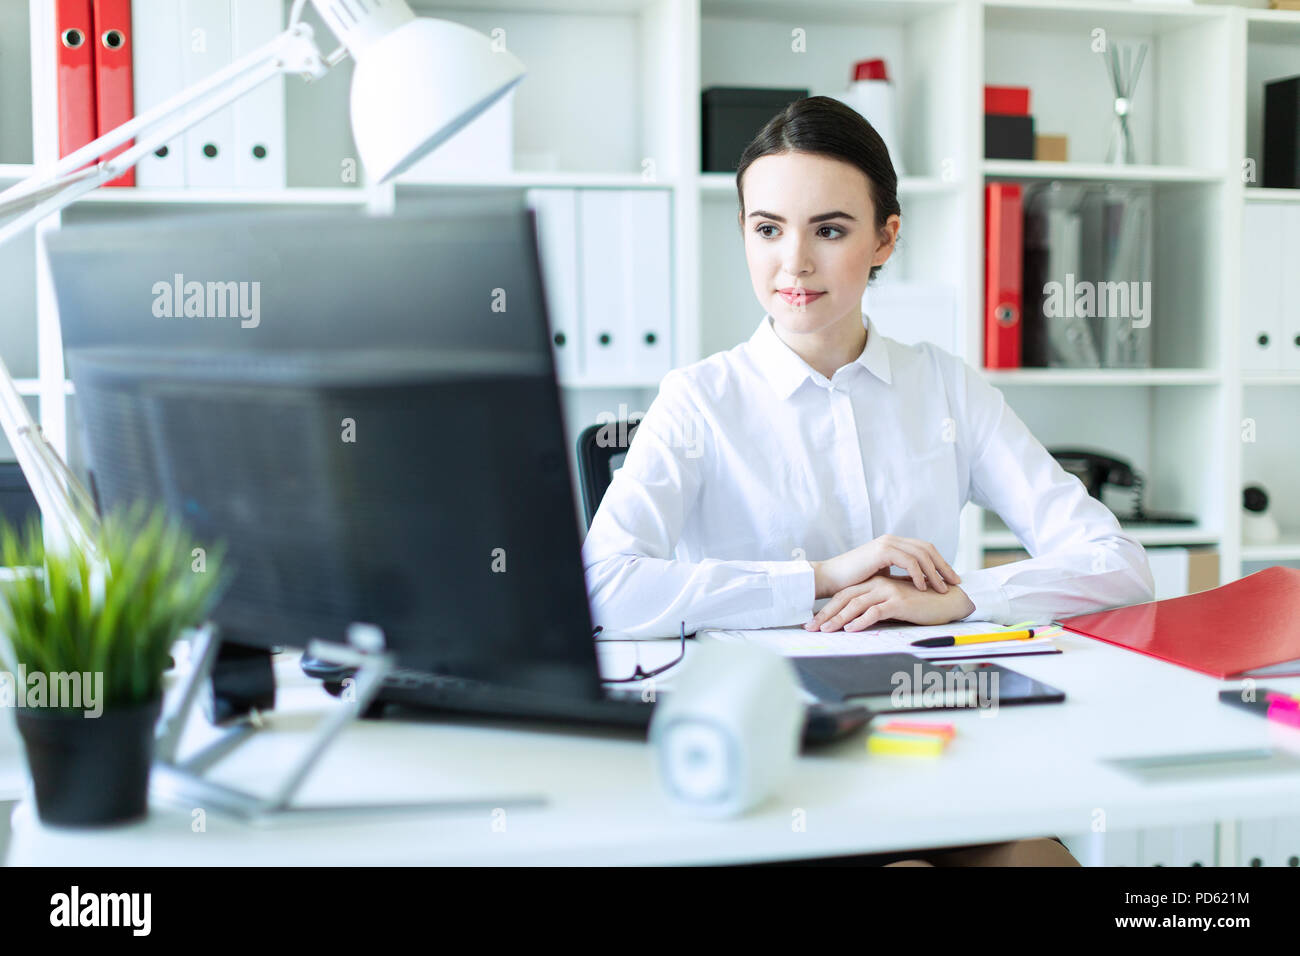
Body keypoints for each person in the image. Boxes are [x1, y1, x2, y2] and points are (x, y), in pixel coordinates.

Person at [581, 96, 1153, 865]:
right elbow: (603, 586)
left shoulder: (945, 388)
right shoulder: (700, 400)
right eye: (768, 228)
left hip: (931, 740)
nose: (794, 263)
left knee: (1040, 862)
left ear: (885, 238)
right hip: (779, 756)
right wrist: (816, 578)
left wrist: (958, 600)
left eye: (830, 229)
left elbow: (1118, 568)